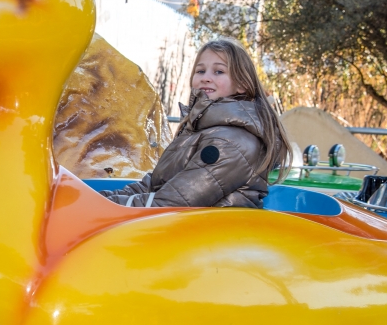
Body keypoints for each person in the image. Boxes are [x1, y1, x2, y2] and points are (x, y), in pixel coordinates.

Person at [100, 39, 291, 208]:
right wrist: (99, 199)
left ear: (242, 84)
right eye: (200, 71)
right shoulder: (198, 131)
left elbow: (172, 203)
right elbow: (153, 185)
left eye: (218, 71)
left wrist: (100, 207)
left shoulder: (232, 143)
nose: (206, 77)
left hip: (210, 232)